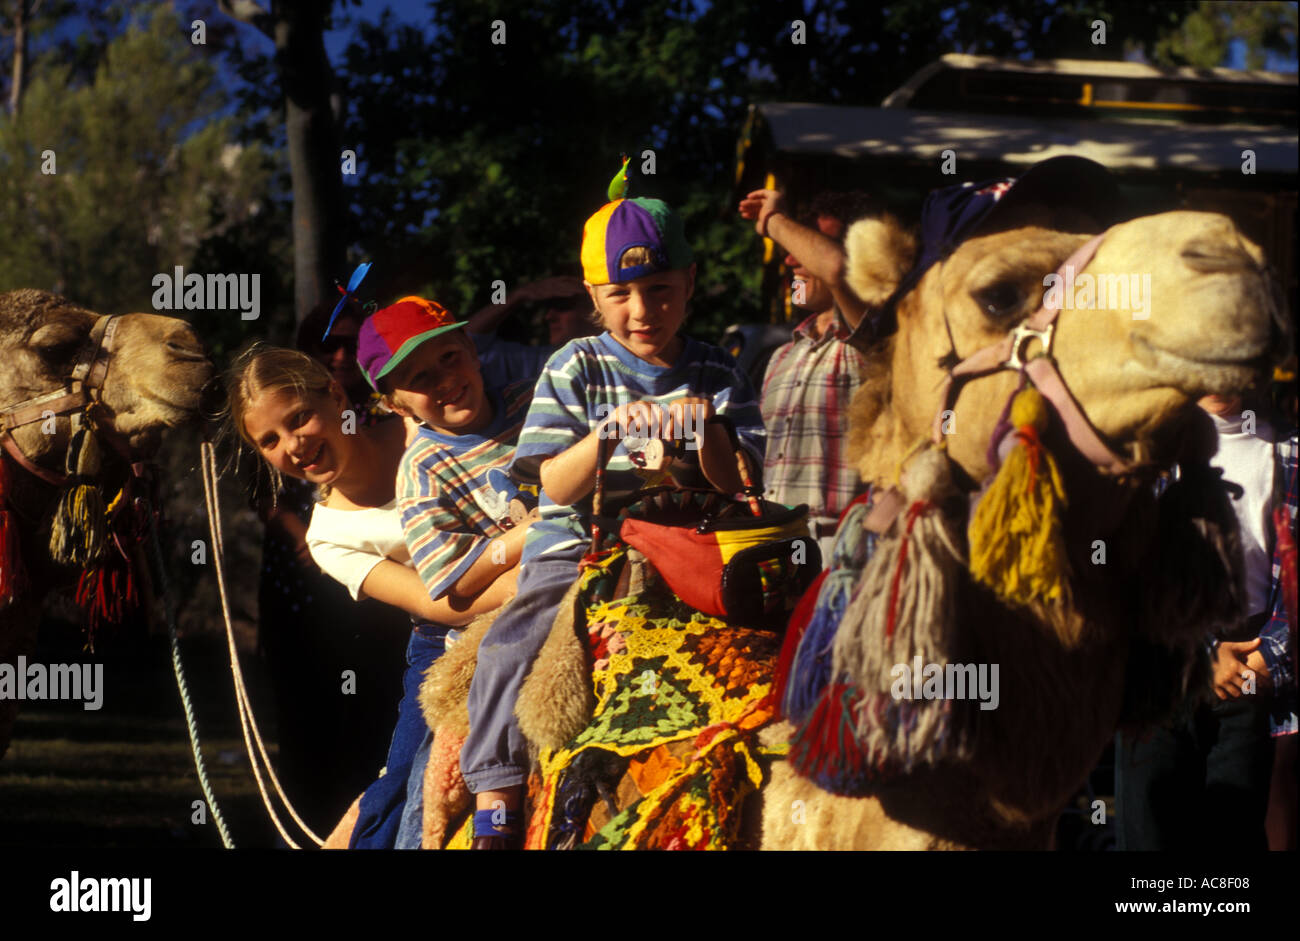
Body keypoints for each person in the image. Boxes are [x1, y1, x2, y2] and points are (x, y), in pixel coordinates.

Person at [460, 194, 765, 848]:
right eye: (621, 293)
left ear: (689, 284)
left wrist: (706, 424)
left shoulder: (714, 367)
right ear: (595, 297)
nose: (642, 310)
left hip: (693, 545)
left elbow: (739, 480)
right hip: (577, 546)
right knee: (513, 636)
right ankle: (495, 787)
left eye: (659, 289)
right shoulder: (576, 366)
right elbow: (551, 482)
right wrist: (607, 434)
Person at [227, 344, 513, 849]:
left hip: (531, 565)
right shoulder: (330, 536)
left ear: (336, 394)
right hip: (450, 632)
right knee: (411, 783)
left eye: (300, 419)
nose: (292, 446)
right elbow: (433, 602)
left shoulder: (419, 424)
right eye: (270, 440)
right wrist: (546, 572)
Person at [358, 294, 549, 845]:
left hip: (575, 585)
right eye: (419, 378)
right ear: (397, 405)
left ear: (470, 348)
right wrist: (520, 541)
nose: (445, 380)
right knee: (429, 776)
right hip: (477, 628)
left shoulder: (532, 404)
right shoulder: (423, 471)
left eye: (448, 357)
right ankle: (476, 825)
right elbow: (451, 584)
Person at [1116, 391, 1297, 851]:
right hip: (1161, 671)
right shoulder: (1150, 446)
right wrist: (1203, 653)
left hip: (1248, 667)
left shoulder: (1288, 448)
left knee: (1234, 839)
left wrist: (1270, 658)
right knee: (1149, 837)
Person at [254, 300, 409, 833]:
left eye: (350, 343)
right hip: (303, 584)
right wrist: (301, 538)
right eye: (329, 345)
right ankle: (312, 826)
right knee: (308, 715)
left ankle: (370, 818)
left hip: (379, 593)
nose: (341, 355)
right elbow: (266, 495)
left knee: (378, 707)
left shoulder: (383, 410)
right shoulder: (273, 409)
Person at [738, 189, 875, 563]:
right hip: (769, 544)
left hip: (843, 549)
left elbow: (834, 268)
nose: (791, 258)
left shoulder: (879, 340)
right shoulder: (782, 354)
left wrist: (774, 221)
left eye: (810, 243)